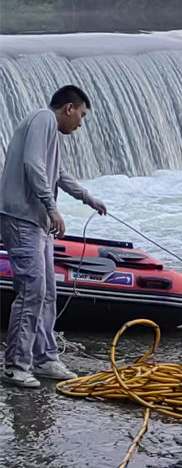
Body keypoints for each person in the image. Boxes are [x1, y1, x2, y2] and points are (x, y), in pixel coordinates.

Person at [0, 85, 106, 388]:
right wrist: (52, 207)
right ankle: (15, 365)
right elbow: (33, 167)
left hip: (36, 221)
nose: (81, 123)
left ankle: (44, 358)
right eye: (82, 115)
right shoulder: (43, 120)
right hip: (21, 218)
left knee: (48, 293)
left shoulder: (49, 132)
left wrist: (89, 198)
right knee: (32, 289)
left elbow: (57, 173)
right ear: (69, 108)